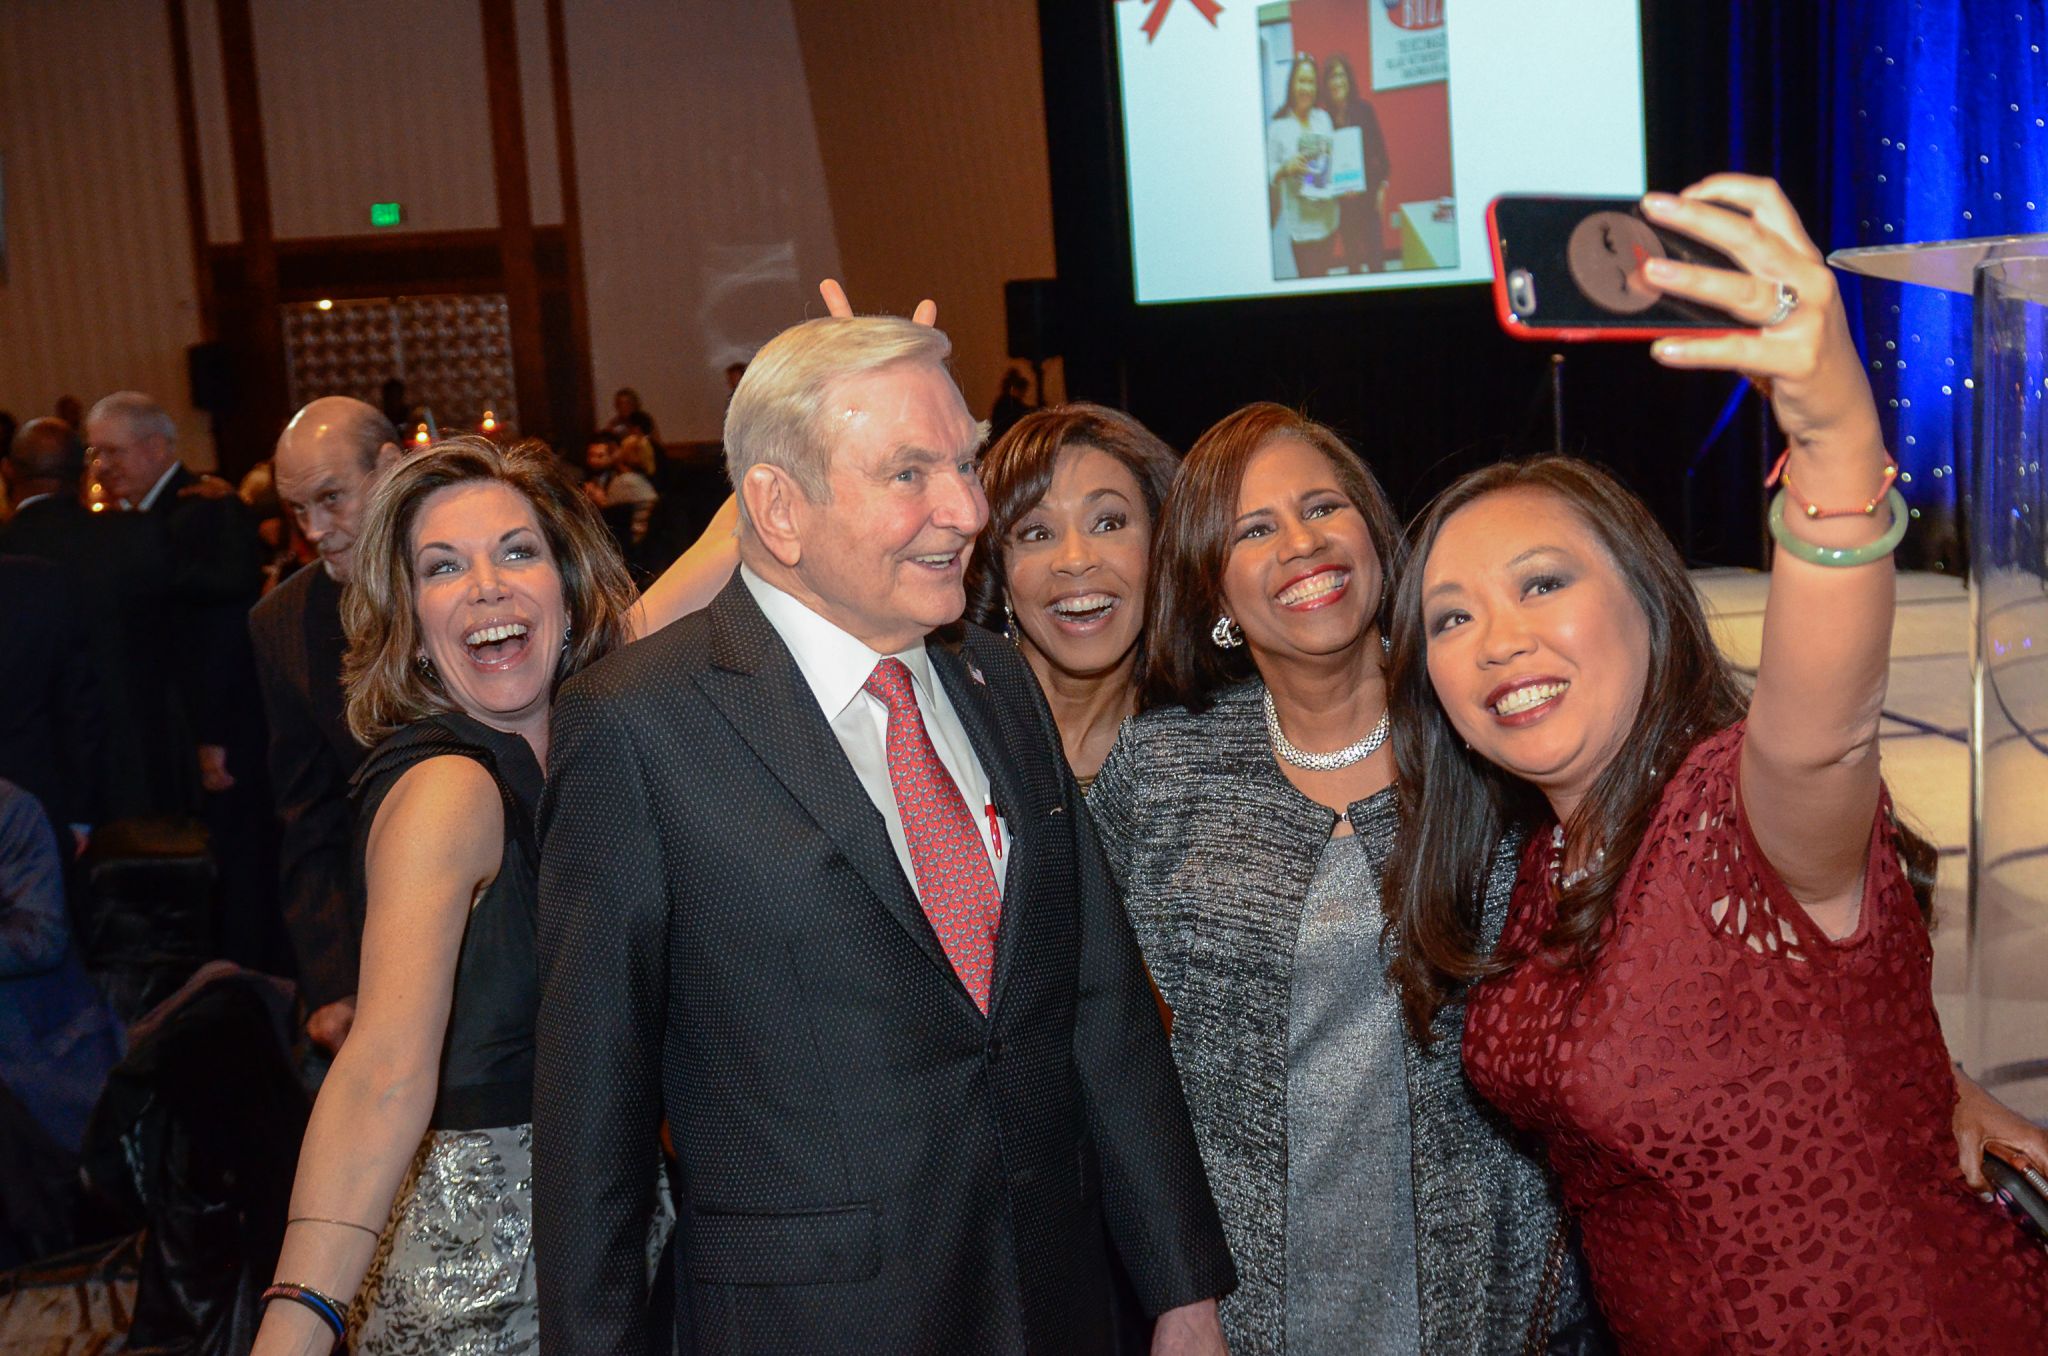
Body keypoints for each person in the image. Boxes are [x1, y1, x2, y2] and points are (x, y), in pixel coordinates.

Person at [1388, 175, 2048, 1354]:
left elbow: (1822, 733)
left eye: (1541, 582)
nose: (1496, 639)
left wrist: (1831, 437)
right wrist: (1915, 1071)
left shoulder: (1728, 822)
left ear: (1649, 602)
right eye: (1449, 617)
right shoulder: (1536, 865)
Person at [533, 314, 1236, 1355]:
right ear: (778, 508)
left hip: (1060, 1307)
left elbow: (1100, 1004)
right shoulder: (638, 725)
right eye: (910, 473)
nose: (967, 509)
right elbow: (594, 1123)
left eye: (964, 462)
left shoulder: (997, 679)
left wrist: (1181, 1290)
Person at [1088, 403, 1585, 1354]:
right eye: (1254, 529)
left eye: (1323, 508)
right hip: (1248, 1301)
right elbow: (1106, 1046)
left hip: (1502, 1295)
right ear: (1214, 590)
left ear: (1374, 534)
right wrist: (1176, 1288)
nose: (1303, 543)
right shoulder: (1162, 770)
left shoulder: (1487, 728)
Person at [250, 437, 644, 1355]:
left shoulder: (584, 745)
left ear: (568, 588)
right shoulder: (449, 791)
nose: (487, 587)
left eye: (517, 551)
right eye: (443, 567)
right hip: (485, 1274)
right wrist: (294, 1324)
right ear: (411, 623)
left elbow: (717, 562)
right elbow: (382, 1071)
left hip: (603, 1230)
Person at [86, 392, 285, 973]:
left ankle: (250, 988)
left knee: (236, 870)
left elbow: (222, 636)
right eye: (95, 454)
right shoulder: (150, 514)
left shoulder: (206, 511)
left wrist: (212, 736)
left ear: (156, 447)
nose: (102, 466)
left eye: (113, 452)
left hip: (216, 728)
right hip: (178, 729)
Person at [249, 398, 403, 1058]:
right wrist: (334, 981)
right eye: (297, 510)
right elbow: (309, 817)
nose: (314, 529)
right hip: (393, 941)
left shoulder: (482, 575)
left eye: (332, 498)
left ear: (390, 468)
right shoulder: (282, 622)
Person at [965, 403, 1179, 788]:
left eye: (1108, 523)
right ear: (1000, 577)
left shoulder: (1212, 749)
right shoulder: (949, 726)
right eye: (1038, 533)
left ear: (1161, 549)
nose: (1076, 560)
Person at [0, 417, 176, 820]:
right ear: (83, 472)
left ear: (9, 471)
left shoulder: (8, 550)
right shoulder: (135, 535)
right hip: (137, 760)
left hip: (30, 781)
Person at [1267, 53, 1339, 281]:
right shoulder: (1278, 127)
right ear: (1292, 84)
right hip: (1301, 225)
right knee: (1308, 281)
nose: (1306, 88)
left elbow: (1334, 160)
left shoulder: (1323, 118)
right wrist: (1285, 168)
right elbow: (1268, 172)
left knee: (1324, 277)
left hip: (1328, 218)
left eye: (1310, 82)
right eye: (1301, 80)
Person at [1319, 55, 1390, 274]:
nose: (1337, 81)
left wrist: (1382, 188)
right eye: (1332, 77)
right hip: (1342, 203)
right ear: (1326, 84)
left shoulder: (1364, 110)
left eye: (1341, 75)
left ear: (1348, 79)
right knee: (1352, 261)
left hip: (1368, 197)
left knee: (1376, 261)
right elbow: (1320, 165)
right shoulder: (1322, 119)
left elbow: (1382, 155)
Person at [583, 428, 658, 557]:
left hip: (632, 544)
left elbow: (609, 517)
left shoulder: (624, 481)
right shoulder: (641, 479)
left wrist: (596, 497)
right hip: (646, 541)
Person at [988, 367, 1035, 441]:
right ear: (1013, 388)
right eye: (1020, 388)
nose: (1023, 394)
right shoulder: (1009, 405)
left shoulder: (1003, 404)